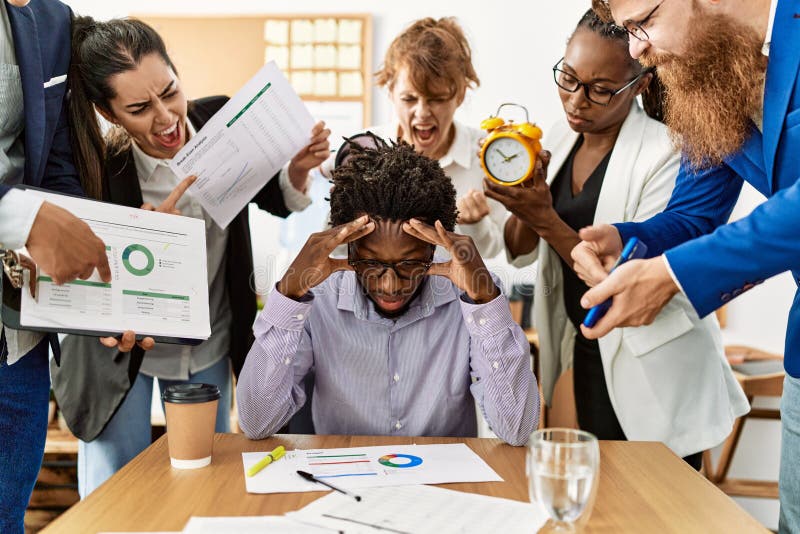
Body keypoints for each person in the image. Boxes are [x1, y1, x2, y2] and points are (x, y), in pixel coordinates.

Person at [56, 16, 331, 498]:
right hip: (121, 348)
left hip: (207, 337)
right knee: (118, 490)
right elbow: (74, 273)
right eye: (140, 108)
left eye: (170, 91)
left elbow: (275, 199)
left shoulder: (220, 121)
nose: (165, 118)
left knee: (206, 477)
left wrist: (300, 169)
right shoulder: (96, 165)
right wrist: (138, 247)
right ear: (108, 112)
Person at [483, 10, 747, 468]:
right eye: (568, 77)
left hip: (653, 361)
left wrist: (546, 219)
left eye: (600, 89)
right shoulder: (563, 142)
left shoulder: (670, 151)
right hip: (582, 347)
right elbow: (522, 249)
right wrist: (523, 205)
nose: (576, 102)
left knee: (659, 508)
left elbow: (625, 272)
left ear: (641, 83)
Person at [572, 0, 798, 530]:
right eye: (627, 31)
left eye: (645, 22)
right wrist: (627, 239)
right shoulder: (707, 74)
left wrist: (673, 276)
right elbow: (693, 216)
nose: (635, 50)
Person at [236, 139, 538, 446]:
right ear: (348, 244)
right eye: (370, 263)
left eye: (409, 263)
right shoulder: (318, 296)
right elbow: (257, 422)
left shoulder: (472, 294)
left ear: (434, 247)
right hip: (343, 481)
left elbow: (516, 430)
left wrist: (485, 300)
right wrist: (288, 293)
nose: (390, 285)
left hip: (442, 486)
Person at [0, 1, 127, 531]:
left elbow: (51, 163)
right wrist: (19, 216)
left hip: (17, 340)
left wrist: (106, 298)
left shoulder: (53, 20)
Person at [324, 17, 506, 258]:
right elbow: (335, 250)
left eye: (437, 99)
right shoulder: (362, 151)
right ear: (390, 92)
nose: (422, 113)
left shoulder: (486, 154)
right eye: (409, 99)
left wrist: (475, 224)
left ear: (460, 95)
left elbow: (491, 252)